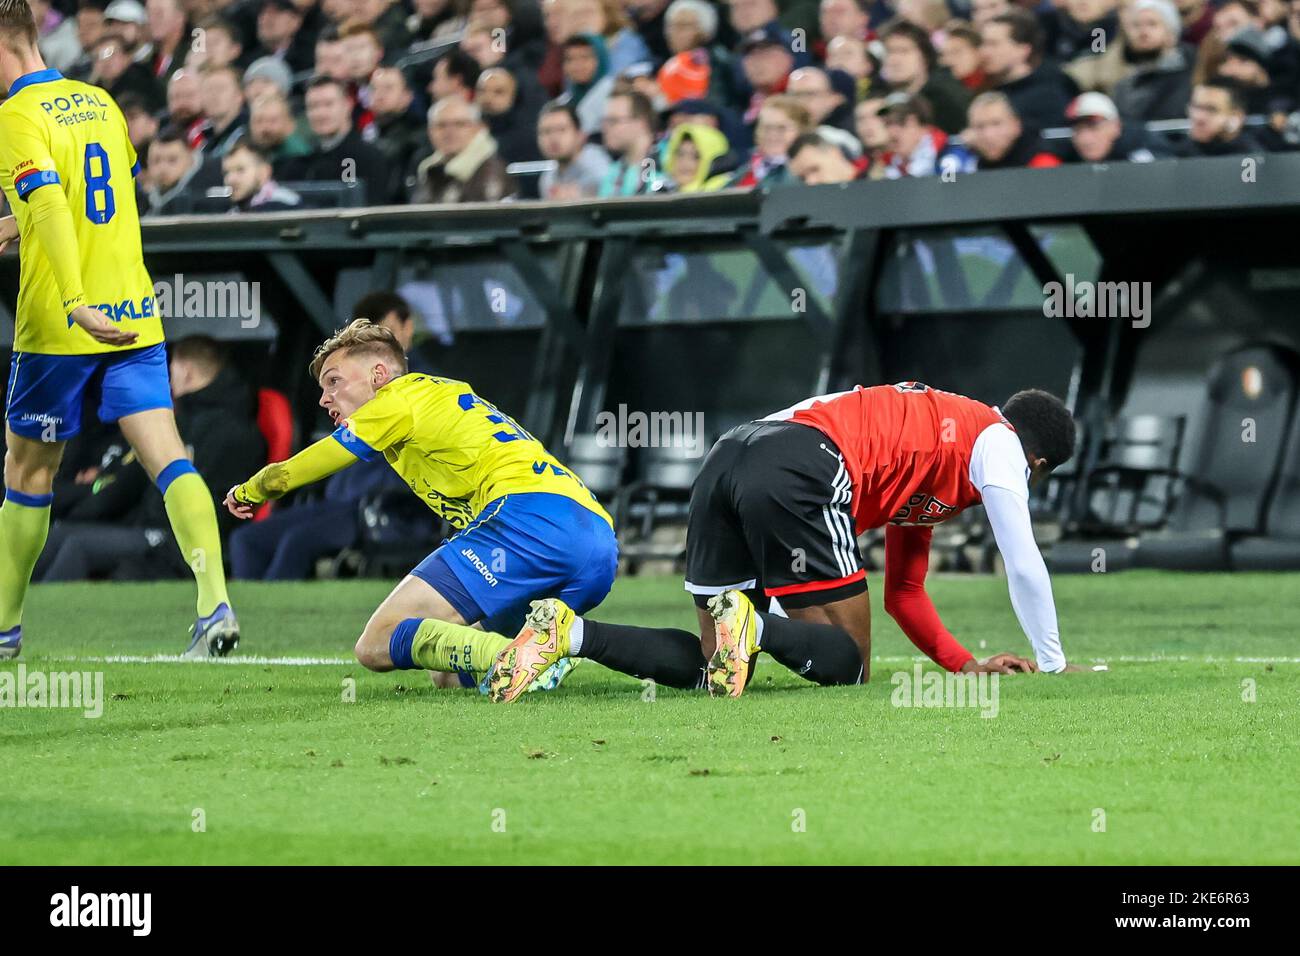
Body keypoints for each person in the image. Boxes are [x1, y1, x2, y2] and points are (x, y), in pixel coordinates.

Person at [489, 384, 1082, 703]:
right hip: (802, 462)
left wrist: (964, 665)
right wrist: (1053, 664)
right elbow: (1023, 561)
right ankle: (758, 626)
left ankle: (568, 633)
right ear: (1038, 461)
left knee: (718, 667)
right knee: (848, 669)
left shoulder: (938, 454)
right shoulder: (999, 442)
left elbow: (905, 591)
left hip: (729, 457)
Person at [0, 0, 239, 660]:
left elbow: (50, 201)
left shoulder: (16, 115)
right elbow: (103, 194)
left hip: (60, 324)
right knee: (168, 455)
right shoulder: (99, 102)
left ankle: (4, 629)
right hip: (132, 312)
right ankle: (213, 603)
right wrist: (14, 222)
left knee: (26, 473)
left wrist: (73, 298)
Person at [223, 320, 618, 692]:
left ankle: (514, 655)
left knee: (376, 643)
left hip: (527, 521)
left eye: (334, 381)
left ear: (378, 375)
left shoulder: (399, 397)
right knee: (445, 672)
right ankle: (542, 653)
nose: (325, 398)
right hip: (595, 542)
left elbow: (314, 462)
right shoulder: (441, 395)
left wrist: (253, 489)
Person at [964, 91, 1063, 168]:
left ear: (1016, 125)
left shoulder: (1043, 163)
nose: (988, 135)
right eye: (979, 126)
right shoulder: (967, 164)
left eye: (996, 124)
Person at [536, 99, 611, 199]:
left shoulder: (599, 171)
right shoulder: (547, 179)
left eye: (561, 129)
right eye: (546, 131)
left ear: (580, 135)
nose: (553, 138)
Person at [222, 136, 301, 213]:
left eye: (240, 170)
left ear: (264, 173)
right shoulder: (233, 212)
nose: (230, 179)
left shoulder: (287, 206)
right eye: (226, 172)